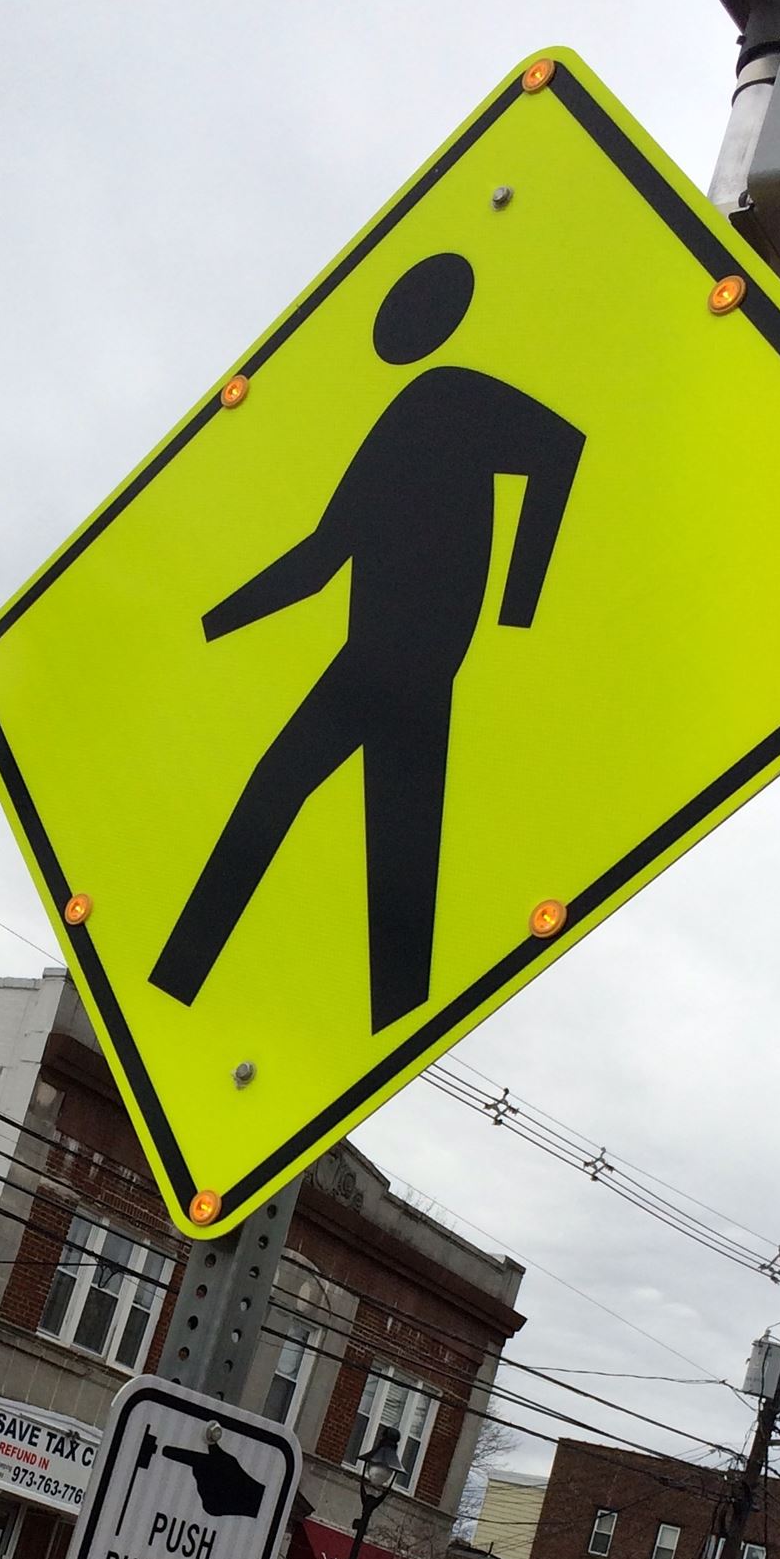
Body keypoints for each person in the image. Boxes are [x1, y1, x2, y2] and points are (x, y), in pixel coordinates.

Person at [150, 250, 585, 1034]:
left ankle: (199, 981)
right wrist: (208, 625)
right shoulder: (399, 422)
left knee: (341, 824)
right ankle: (215, 990)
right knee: (373, 844)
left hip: (410, 669)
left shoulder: (450, 396)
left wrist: (519, 606)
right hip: (373, 666)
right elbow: (321, 558)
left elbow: (561, 448)